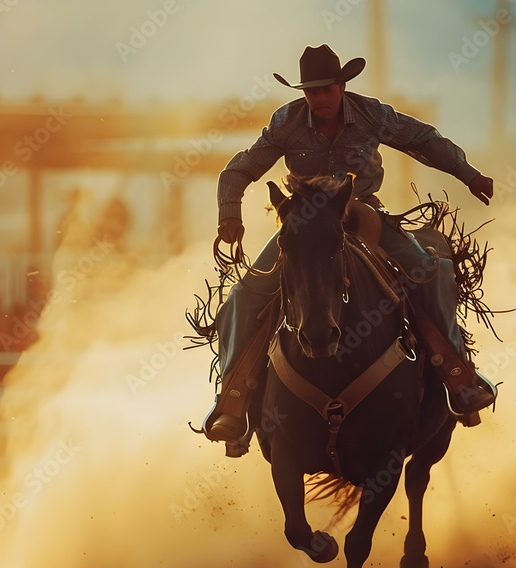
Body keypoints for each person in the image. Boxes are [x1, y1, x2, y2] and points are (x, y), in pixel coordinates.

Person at [200, 45, 497, 455]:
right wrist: (229, 213)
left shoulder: (372, 113)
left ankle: (458, 374)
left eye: (327, 90)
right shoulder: (286, 121)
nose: (320, 99)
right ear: (304, 93)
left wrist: (467, 173)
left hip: (360, 213)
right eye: (312, 91)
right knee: (243, 296)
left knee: (432, 271)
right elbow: (240, 168)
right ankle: (231, 403)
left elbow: (423, 140)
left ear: (341, 86)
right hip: (303, 223)